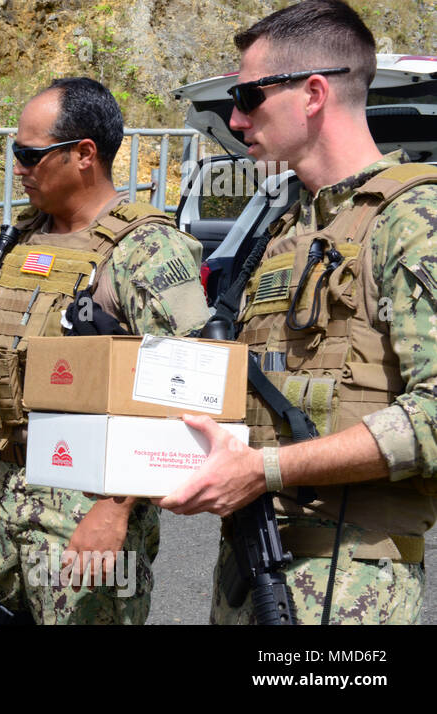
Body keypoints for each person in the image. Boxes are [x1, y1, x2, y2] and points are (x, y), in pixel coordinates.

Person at [0, 77, 211, 624]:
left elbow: (191, 391)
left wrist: (117, 508)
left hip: (86, 511)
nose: (17, 167)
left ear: (84, 155)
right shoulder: (18, 241)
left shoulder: (147, 250)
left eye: (29, 154)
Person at [159, 0, 437, 625]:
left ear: (313, 93)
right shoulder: (286, 228)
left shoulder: (415, 221)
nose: (234, 118)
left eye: (249, 96)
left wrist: (267, 469)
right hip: (250, 566)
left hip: (347, 583)